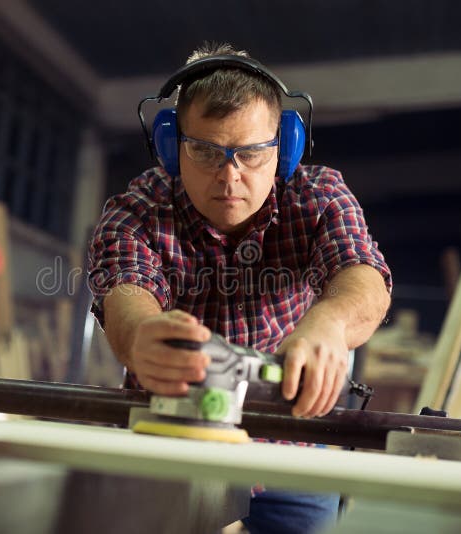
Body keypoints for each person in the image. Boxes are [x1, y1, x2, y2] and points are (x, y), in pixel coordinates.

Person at [87, 42, 392, 533]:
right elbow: (125, 291)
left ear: (285, 148)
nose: (229, 176)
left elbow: (363, 275)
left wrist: (331, 325)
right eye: (205, 151)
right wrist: (142, 334)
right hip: (169, 434)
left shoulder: (319, 195)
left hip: (292, 442)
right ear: (170, 146)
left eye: (251, 153)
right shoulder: (137, 210)